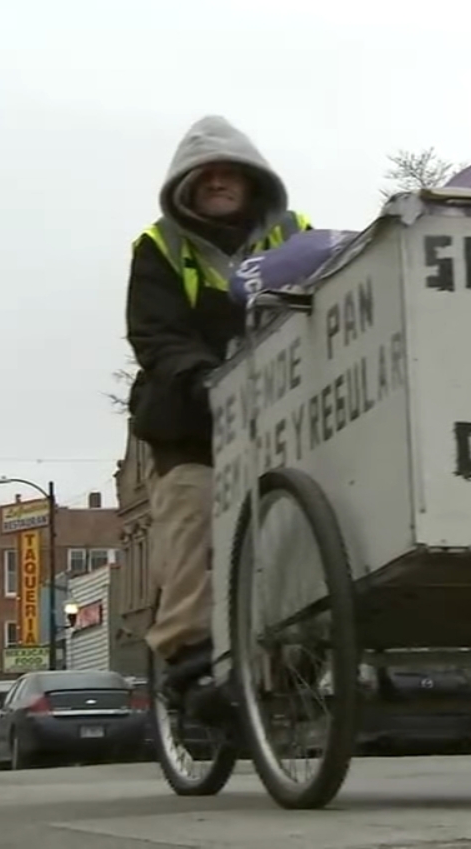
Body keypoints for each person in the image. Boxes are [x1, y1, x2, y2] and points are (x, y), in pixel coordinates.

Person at [125, 115, 310, 694]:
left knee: (307, 517)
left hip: (280, 410)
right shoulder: (160, 247)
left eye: (231, 174)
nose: (219, 183)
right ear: (187, 185)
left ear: (253, 181)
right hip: (189, 422)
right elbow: (155, 333)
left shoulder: (295, 233)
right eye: (207, 177)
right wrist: (203, 379)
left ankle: (308, 643)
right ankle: (189, 654)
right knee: (194, 512)